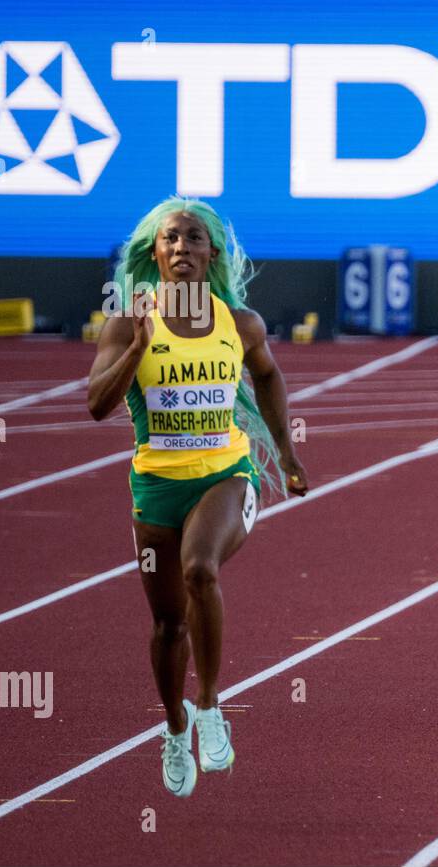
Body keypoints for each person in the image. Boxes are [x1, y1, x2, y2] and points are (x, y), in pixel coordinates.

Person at [88, 197, 309, 795]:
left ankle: (211, 707)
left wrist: (285, 453)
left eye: (193, 238)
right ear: (154, 254)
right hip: (156, 488)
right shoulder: (126, 322)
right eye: (170, 239)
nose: (182, 247)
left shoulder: (240, 325)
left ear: (212, 254)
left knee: (199, 571)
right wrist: (136, 350)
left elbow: (267, 374)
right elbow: (96, 407)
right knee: (166, 625)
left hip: (224, 474)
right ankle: (173, 724)